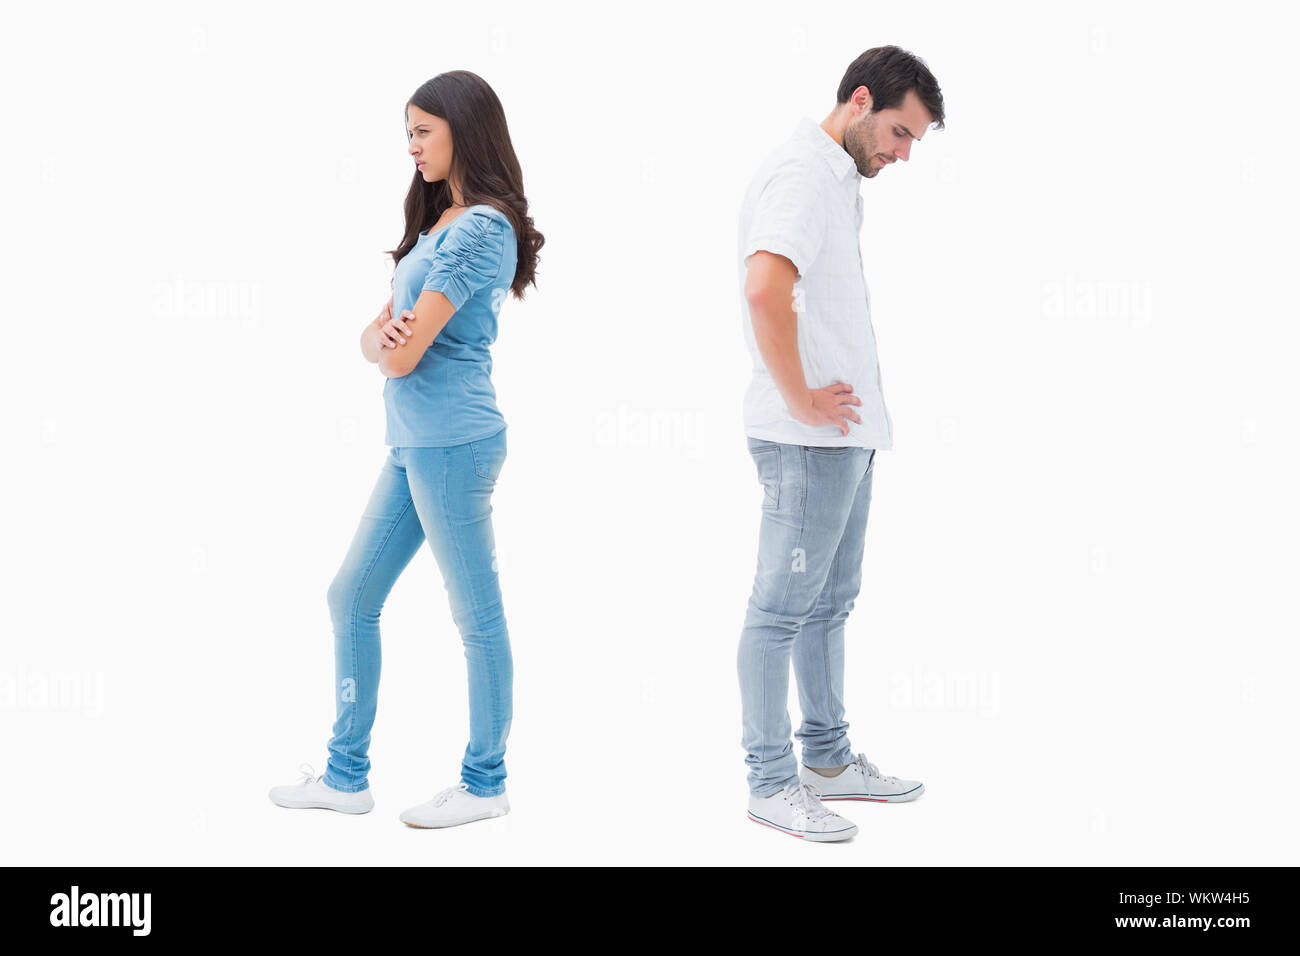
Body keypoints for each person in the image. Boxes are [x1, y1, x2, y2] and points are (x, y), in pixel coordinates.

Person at [269, 70, 543, 829]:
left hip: (453, 446)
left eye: (424, 131)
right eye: (408, 133)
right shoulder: (437, 222)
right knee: (350, 596)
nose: (413, 146)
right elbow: (375, 338)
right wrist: (386, 341)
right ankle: (345, 775)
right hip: (414, 445)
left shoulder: (482, 227)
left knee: (476, 617)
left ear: (465, 129)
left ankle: (485, 783)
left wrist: (390, 344)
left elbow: (398, 353)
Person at [736, 45, 944, 841]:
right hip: (807, 442)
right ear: (860, 101)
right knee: (779, 612)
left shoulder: (836, 181)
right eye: (899, 132)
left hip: (844, 441)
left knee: (829, 605)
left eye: (915, 140)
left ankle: (825, 758)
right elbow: (763, 287)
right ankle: (770, 780)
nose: (903, 153)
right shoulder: (801, 176)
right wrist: (800, 400)